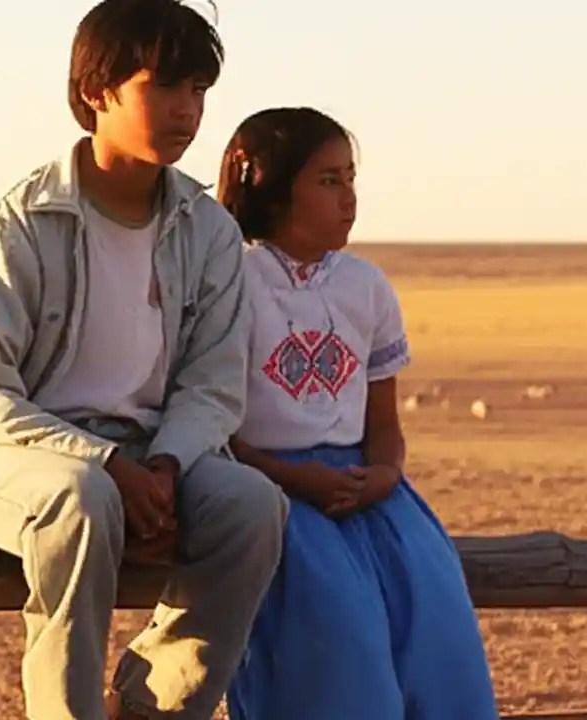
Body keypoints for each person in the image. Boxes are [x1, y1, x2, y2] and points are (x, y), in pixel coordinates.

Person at [0, 2, 286, 718]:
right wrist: (102, 462)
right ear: (98, 92)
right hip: (21, 459)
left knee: (253, 507)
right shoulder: (22, 221)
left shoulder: (208, 229)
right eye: (166, 88)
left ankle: (152, 708)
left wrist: (166, 465)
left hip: (158, 458)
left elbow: (213, 382)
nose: (188, 111)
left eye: (199, 92)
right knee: (80, 500)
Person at [215, 107, 500, 720]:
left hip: (372, 496)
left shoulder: (366, 287)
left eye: (350, 179)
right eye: (327, 181)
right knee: (341, 645)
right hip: (278, 499)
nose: (348, 198)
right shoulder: (229, 284)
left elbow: (385, 423)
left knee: (436, 614)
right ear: (271, 183)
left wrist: (387, 474)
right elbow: (215, 430)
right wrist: (295, 479)